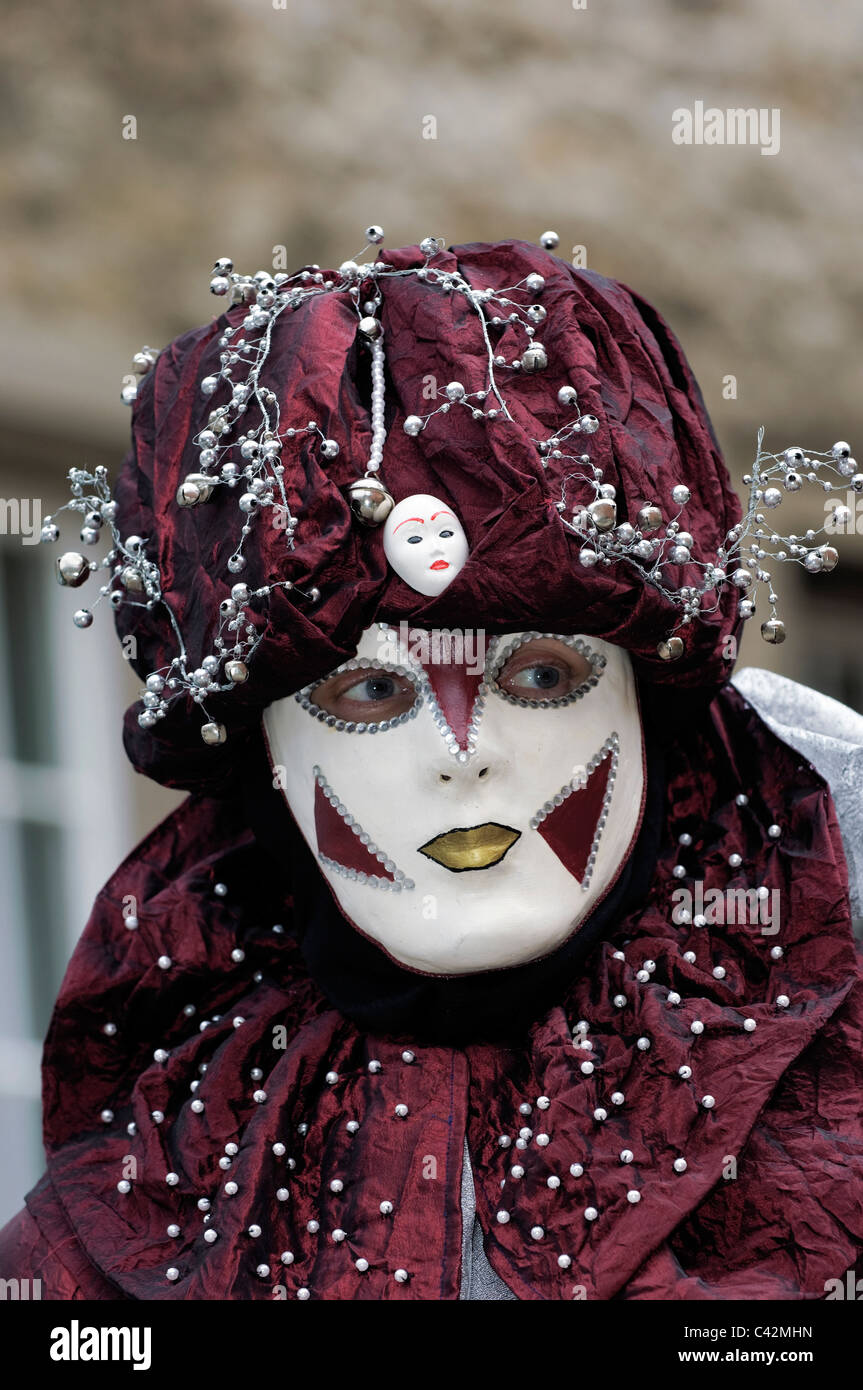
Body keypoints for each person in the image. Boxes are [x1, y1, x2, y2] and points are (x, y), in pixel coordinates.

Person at [1, 234, 861, 1300]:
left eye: (541, 676)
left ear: (648, 697)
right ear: (259, 753)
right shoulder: (162, 1163)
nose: (461, 756)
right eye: (367, 693)